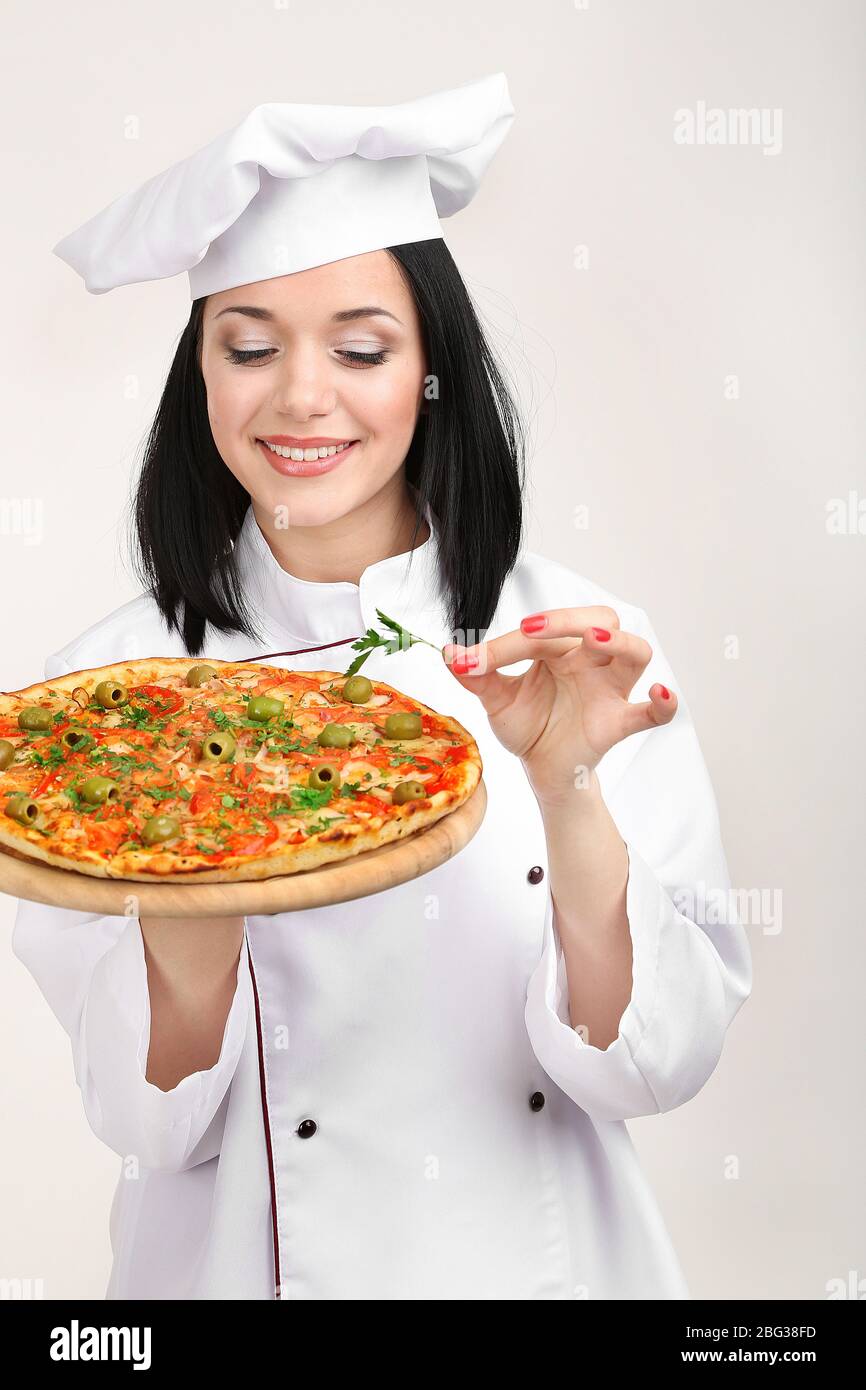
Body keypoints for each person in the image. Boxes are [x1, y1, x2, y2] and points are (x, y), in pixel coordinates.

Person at [12, 73, 751, 1300]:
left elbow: (649, 1068)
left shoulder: (580, 647)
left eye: (360, 348)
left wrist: (565, 785)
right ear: (199, 377)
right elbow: (148, 1130)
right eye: (248, 346)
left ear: (429, 371)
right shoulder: (101, 700)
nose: (301, 395)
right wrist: (186, 862)